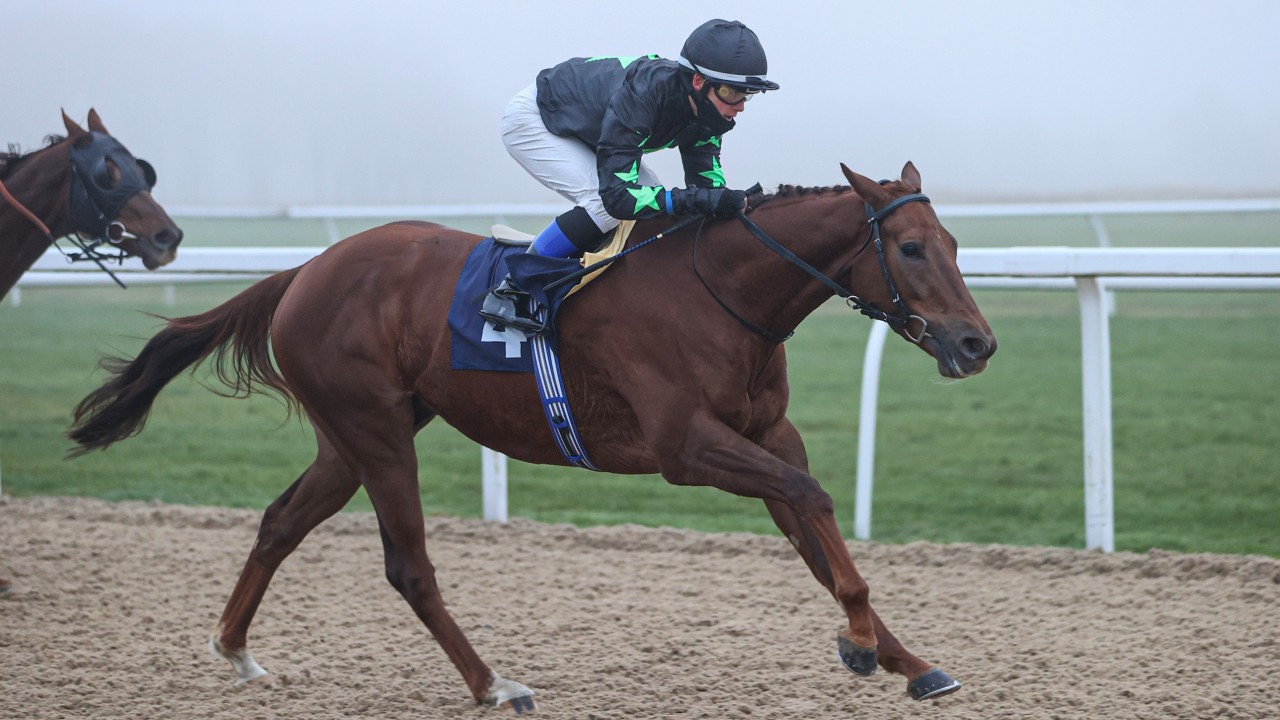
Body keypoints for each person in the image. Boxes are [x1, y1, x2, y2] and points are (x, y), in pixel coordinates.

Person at [480, 18, 780, 334]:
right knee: (605, 205)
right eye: (731, 92)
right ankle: (513, 288)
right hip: (536, 120)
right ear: (697, 81)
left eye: (746, 95)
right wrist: (698, 200)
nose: (740, 106)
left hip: (591, 127)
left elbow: (708, 193)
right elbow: (618, 199)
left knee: (655, 203)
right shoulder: (645, 96)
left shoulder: (709, 115)